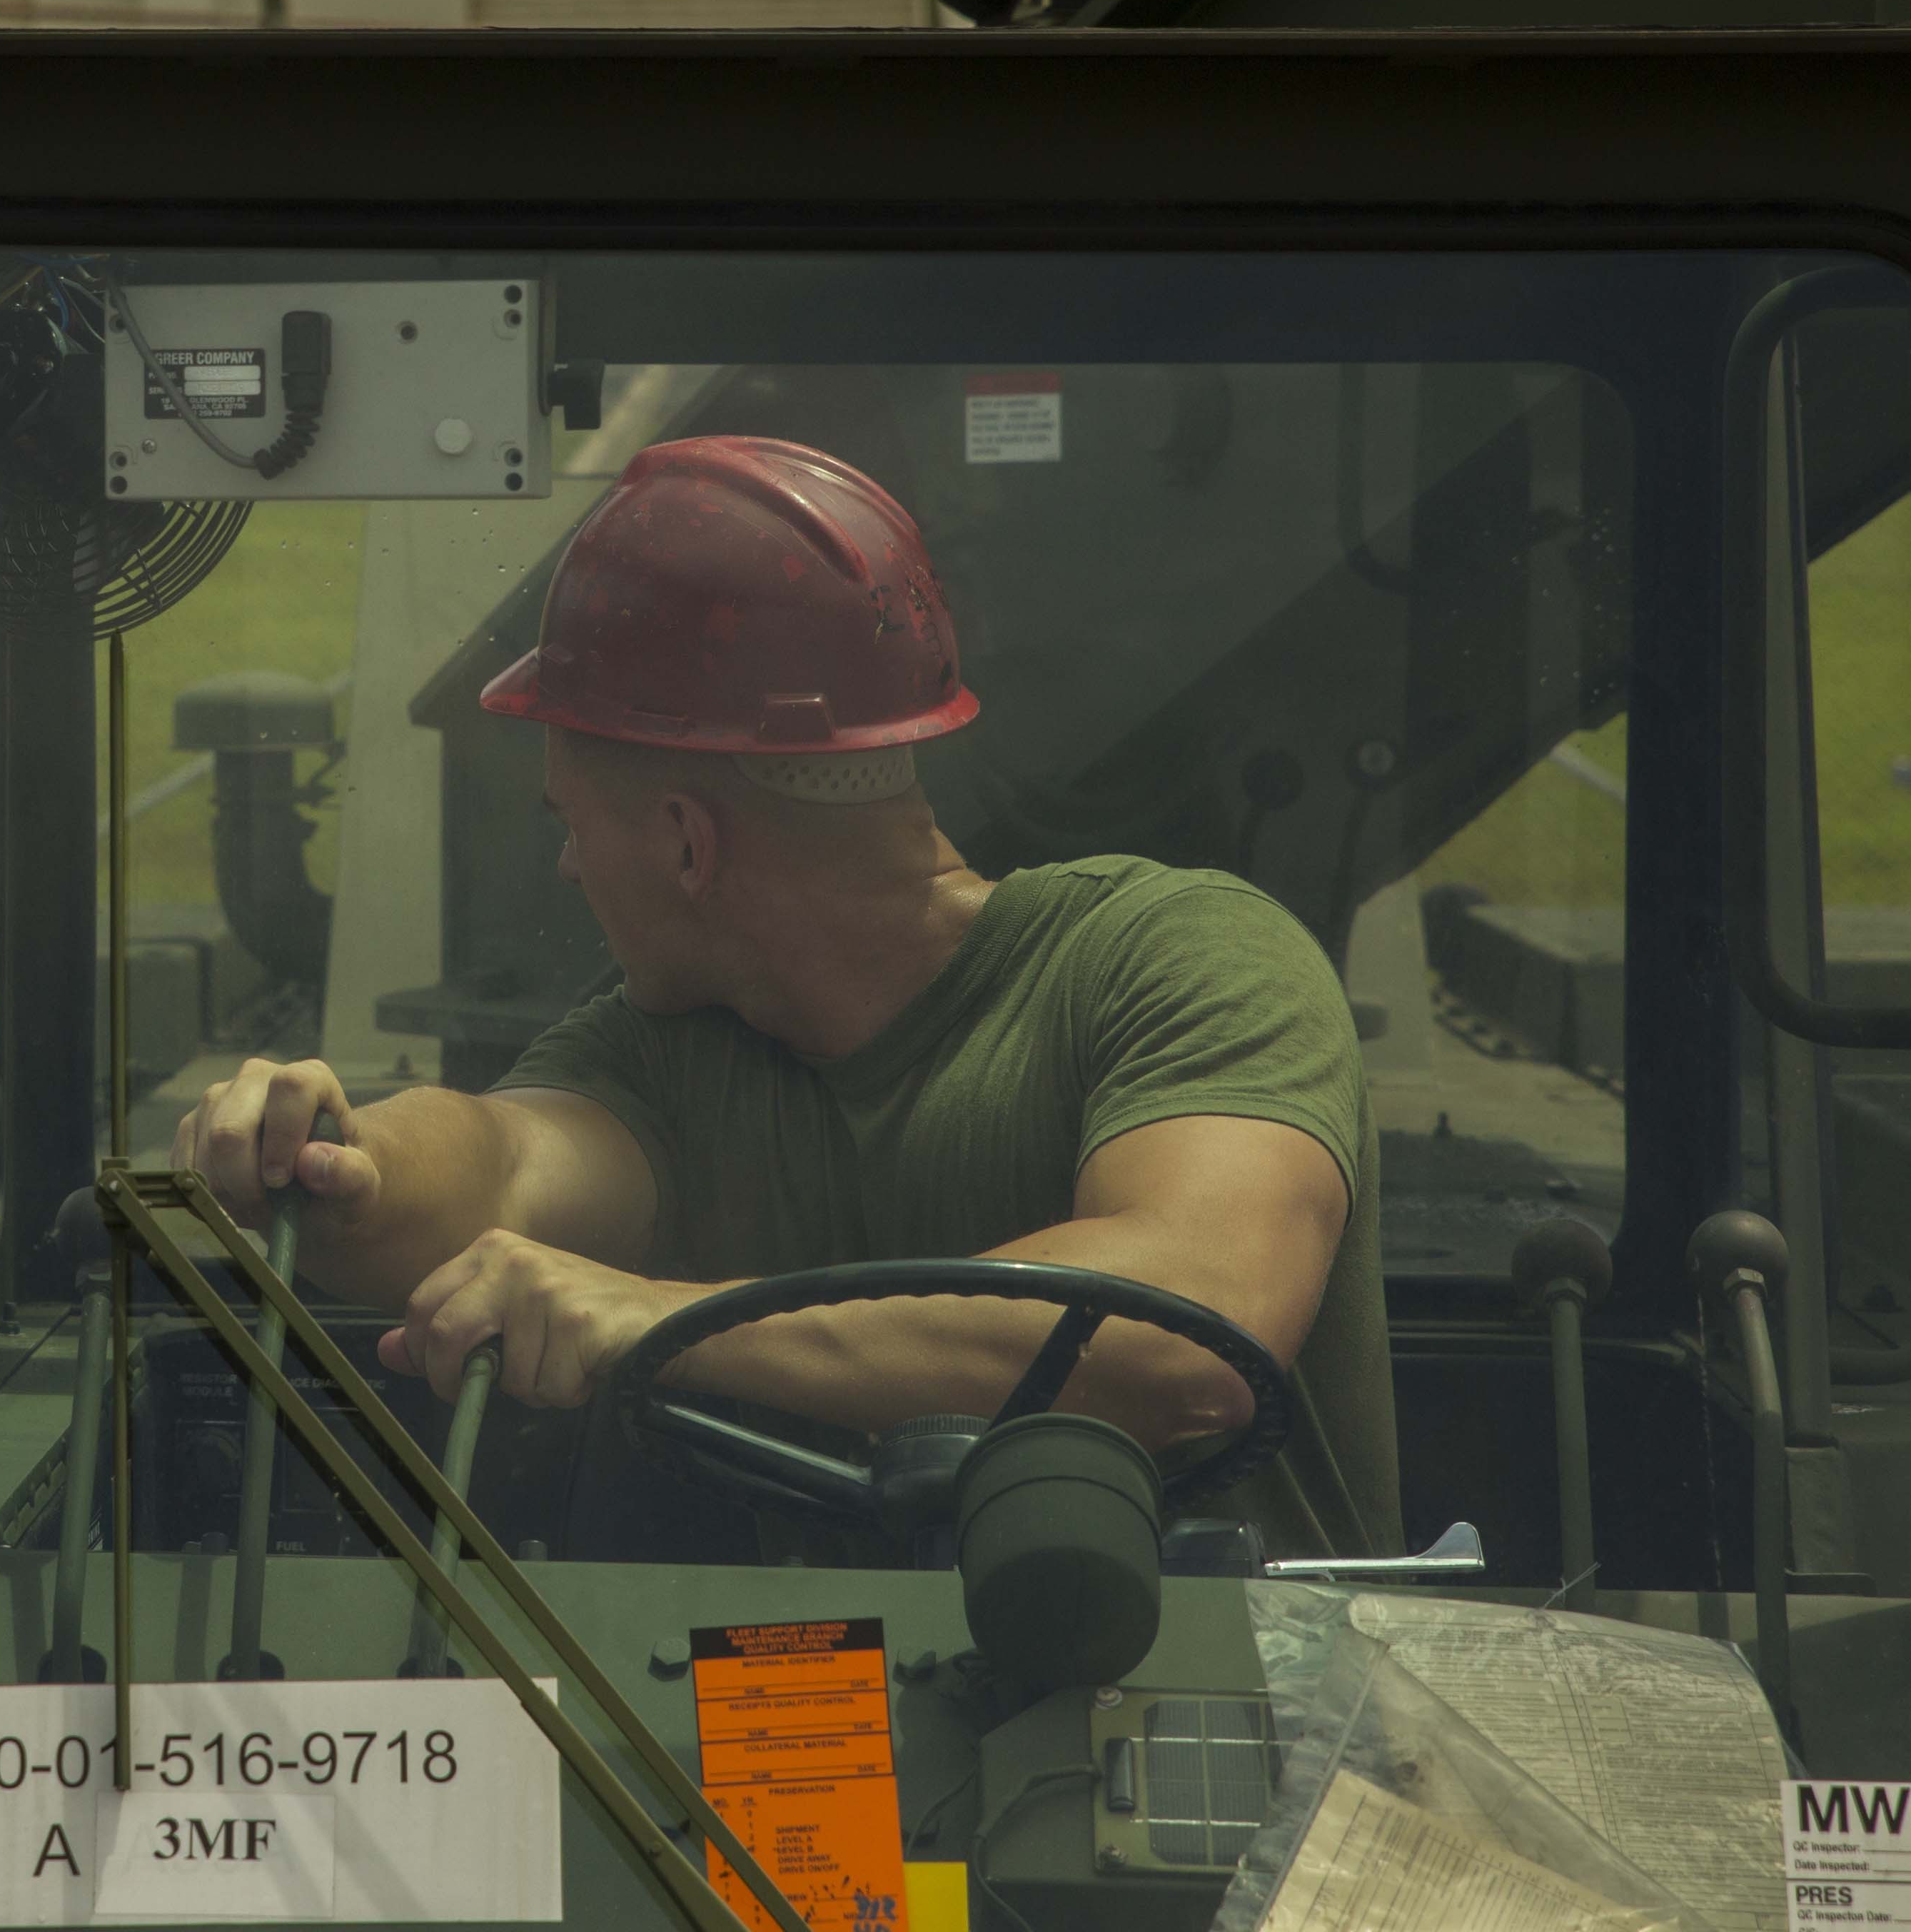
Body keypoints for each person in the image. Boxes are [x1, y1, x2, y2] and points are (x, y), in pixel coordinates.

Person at [175, 436, 1397, 1559]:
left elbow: (1185, 1339)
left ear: (686, 844)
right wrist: (345, 1157)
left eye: (573, 824)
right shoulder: (671, 1052)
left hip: (1240, 1745)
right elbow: (498, 1160)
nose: (566, 866)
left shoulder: (1183, 959)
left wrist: (658, 1321)